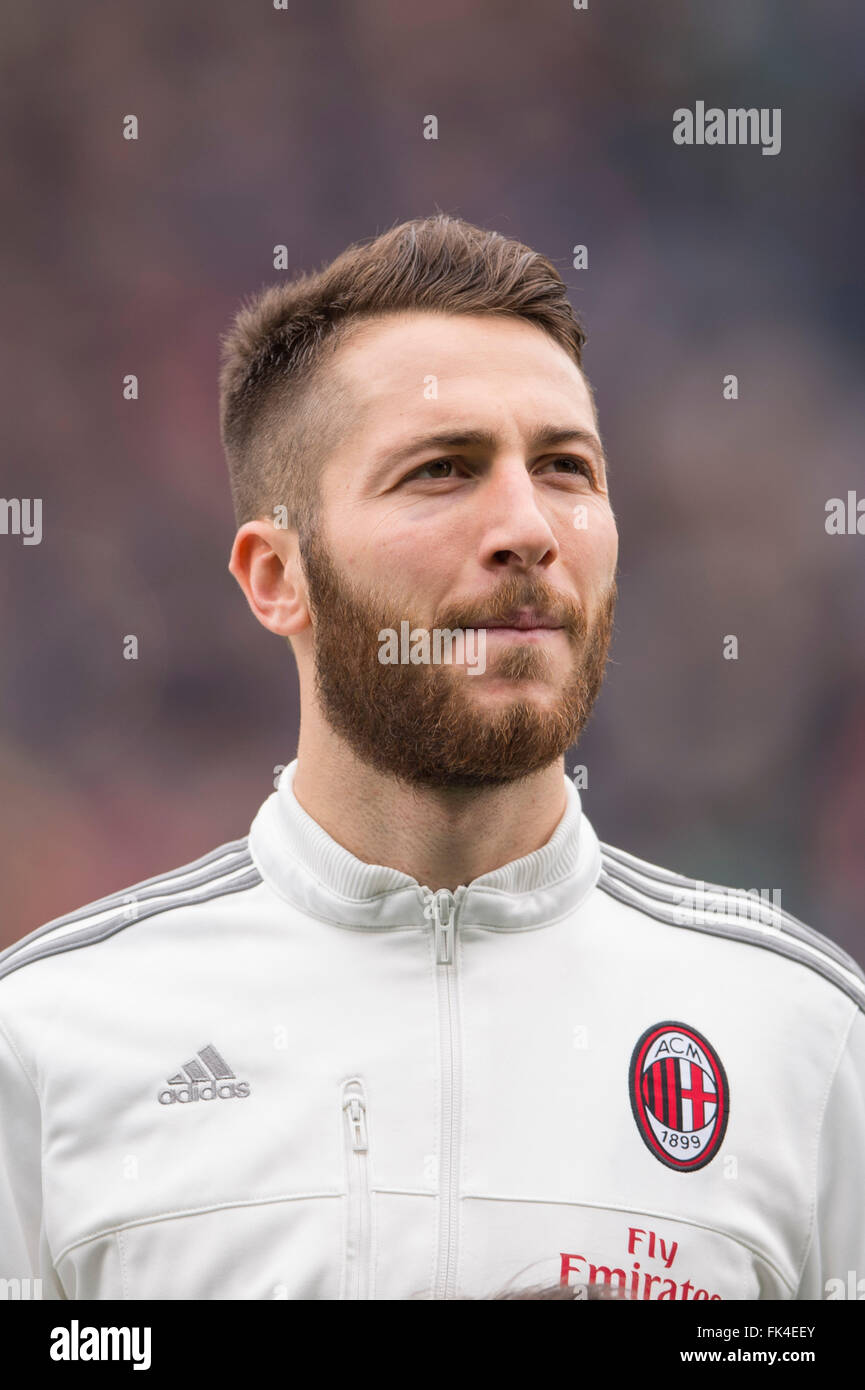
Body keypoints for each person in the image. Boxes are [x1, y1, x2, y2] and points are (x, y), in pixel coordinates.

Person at [1, 214, 863, 1301]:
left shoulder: (801, 1035)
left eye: (564, 467)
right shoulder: (50, 1040)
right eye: (441, 470)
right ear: (277, 575)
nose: (527, 526)